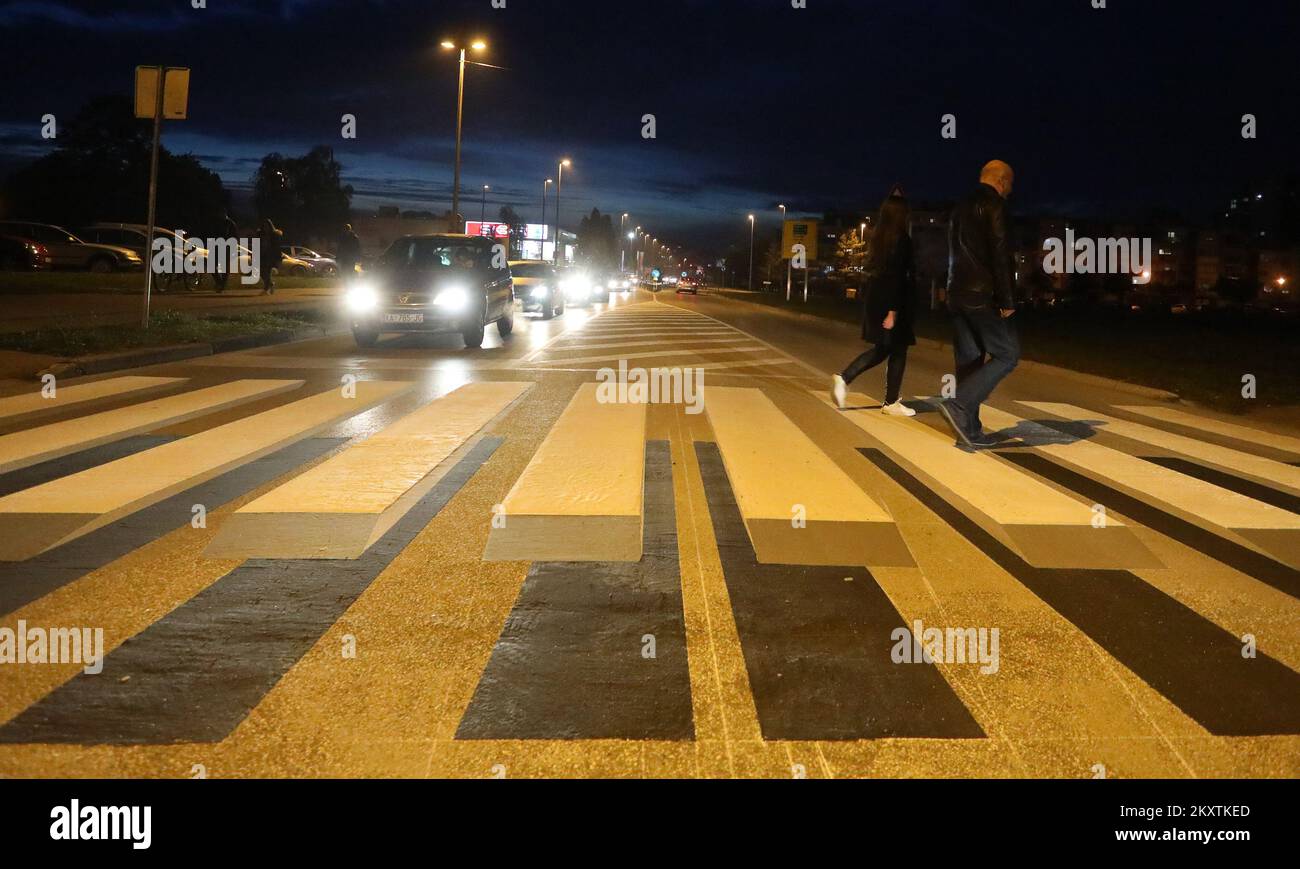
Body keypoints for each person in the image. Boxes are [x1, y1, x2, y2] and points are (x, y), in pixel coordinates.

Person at [936, 160, 1021, 447]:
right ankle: (958, 405)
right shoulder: (995, 205)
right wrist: (1008, 299)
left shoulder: (959, 207)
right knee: (1007, 354)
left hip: (956, 293)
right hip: (981, 294)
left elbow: (950, 251)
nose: (1010, 190)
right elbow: (1000, 254)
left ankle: (968, 432)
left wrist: (948, 288)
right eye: (1010, 184)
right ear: (1002, 181)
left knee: (970, 362)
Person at [832, 187, 917, 415]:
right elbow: (897, 276)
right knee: (896, 350)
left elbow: (881, 273)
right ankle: (887, 401)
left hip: (876, 298)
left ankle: (848, 380)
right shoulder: (902, 240)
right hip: (893, 301)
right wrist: (893, 311)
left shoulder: (878, 238)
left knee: (885, 348)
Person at [257, 218, 283, 294]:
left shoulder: (275, 235)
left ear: (270, 226)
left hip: (270, 256)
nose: (265, 228)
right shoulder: (259, 234)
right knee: (261, 272)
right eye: (264, 226)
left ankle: (266, 289)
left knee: (267, 272)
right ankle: (271, 284)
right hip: (262, 255)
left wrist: (278, 259)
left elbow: (277, 247)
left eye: (267, 226)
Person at [213, 212, 238, 293]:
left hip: (227, 247)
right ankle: (219, 282)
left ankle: (222, 285)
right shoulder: (218, 223)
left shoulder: (230, 223)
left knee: (225, 267)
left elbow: (235, 236)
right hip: (217, 246)